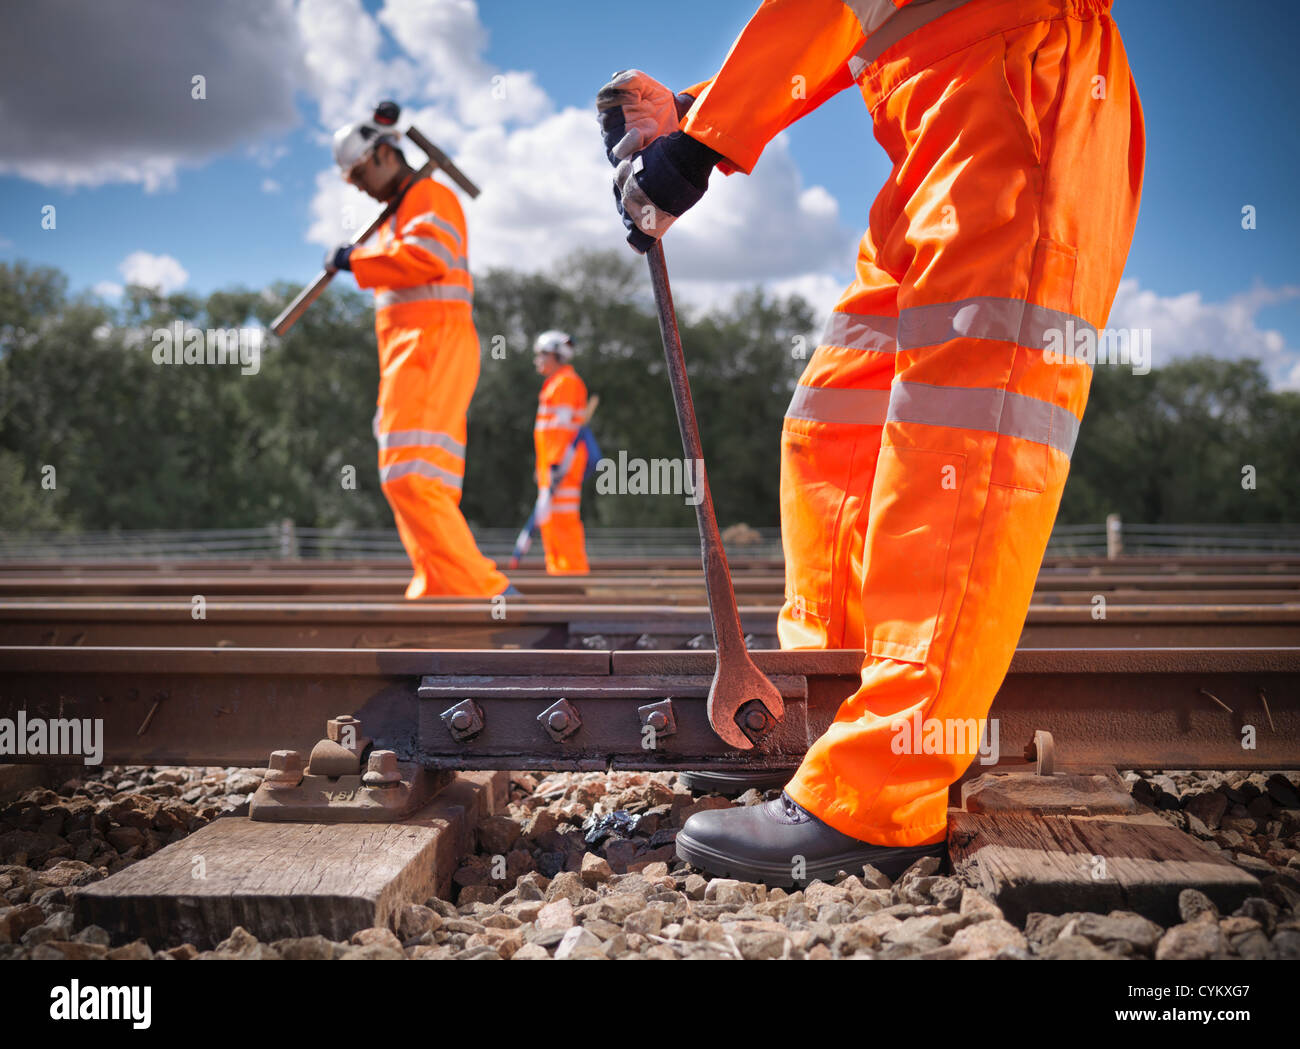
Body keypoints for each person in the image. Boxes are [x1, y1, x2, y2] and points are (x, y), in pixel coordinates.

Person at [597, 0, 1144, 883]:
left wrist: (701, 140)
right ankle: (816, 719)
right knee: (831, 425)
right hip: (936, 111)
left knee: (958, 451)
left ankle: (882, 788)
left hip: (1019, 88)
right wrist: (700, 115)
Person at [324, 109, 514, 599]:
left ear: (385, 154)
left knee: (409, 476)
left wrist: (355, 259)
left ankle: (482, 590)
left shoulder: (429, 196)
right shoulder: (398, 215)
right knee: (422, 479)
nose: (360, 187)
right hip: (412, 356)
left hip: (432, 347)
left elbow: (429, 257)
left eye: (361, 175)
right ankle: (439, 586)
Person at [532, 331, 591, 575]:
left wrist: (555, 466)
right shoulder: (556, 384)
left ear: (555, 356)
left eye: (541, 354)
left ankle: (572, 577)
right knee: (551, 522)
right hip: (555, 466)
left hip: (563, 467)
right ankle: (558, 575)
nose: (537, 360)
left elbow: (562, 430)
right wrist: (543, 469)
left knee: (562, 522)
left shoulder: (565, 383)